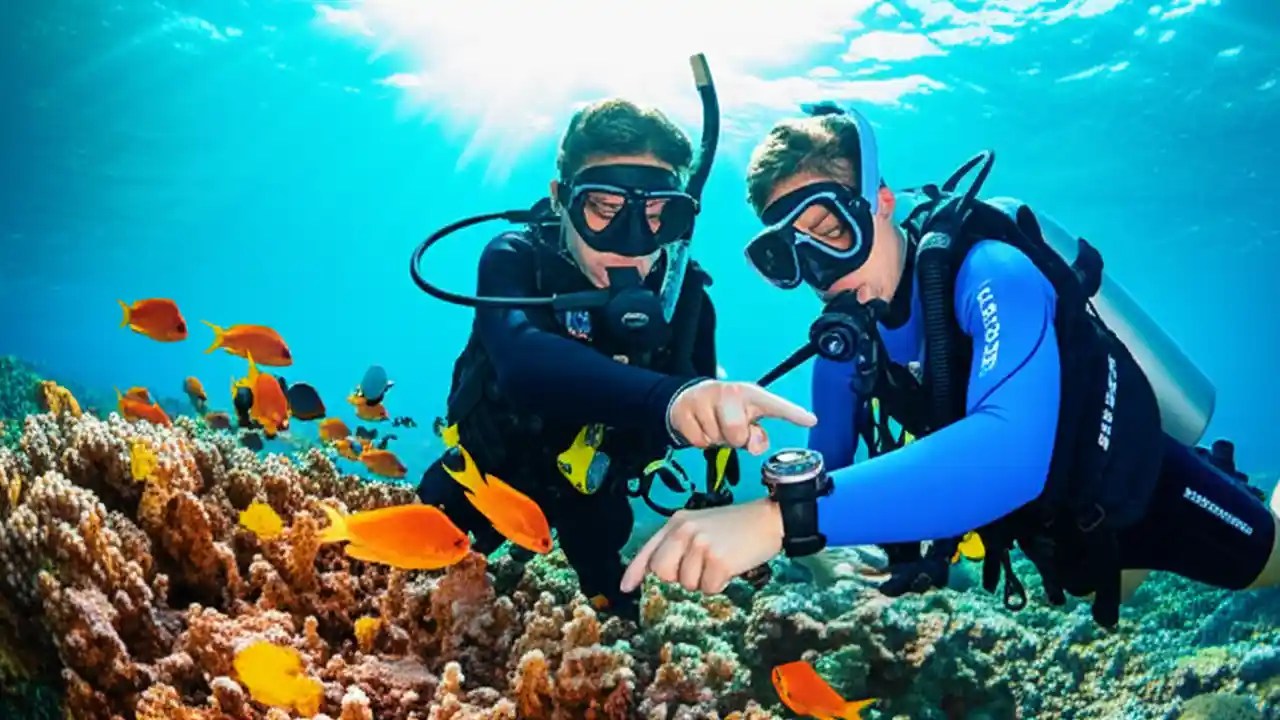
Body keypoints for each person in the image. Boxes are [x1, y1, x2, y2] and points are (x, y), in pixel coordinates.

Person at [621, 101, 1280, 628]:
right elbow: (829, 474)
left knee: (1271, 558)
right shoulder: (849, 346)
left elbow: (1010, 453)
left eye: (828, 228)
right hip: (1067, 542)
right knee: (1103, 589)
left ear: (879, 203)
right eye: (789, 254)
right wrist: (821, 553)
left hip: (1143, 487)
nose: (820, 270)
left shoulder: (990, 270)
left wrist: (777, 522)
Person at [414, 97, 816, 622]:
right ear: (560, 199)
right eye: (604, 209)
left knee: (617, 627)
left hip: (596, 501)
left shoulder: (689, 301)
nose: (631, 244)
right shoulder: (514, 258)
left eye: (656, 216)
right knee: (405, 593)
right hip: (480, 478)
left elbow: (697, 421)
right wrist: (667, 400)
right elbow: (521, 362)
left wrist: (720, 470)